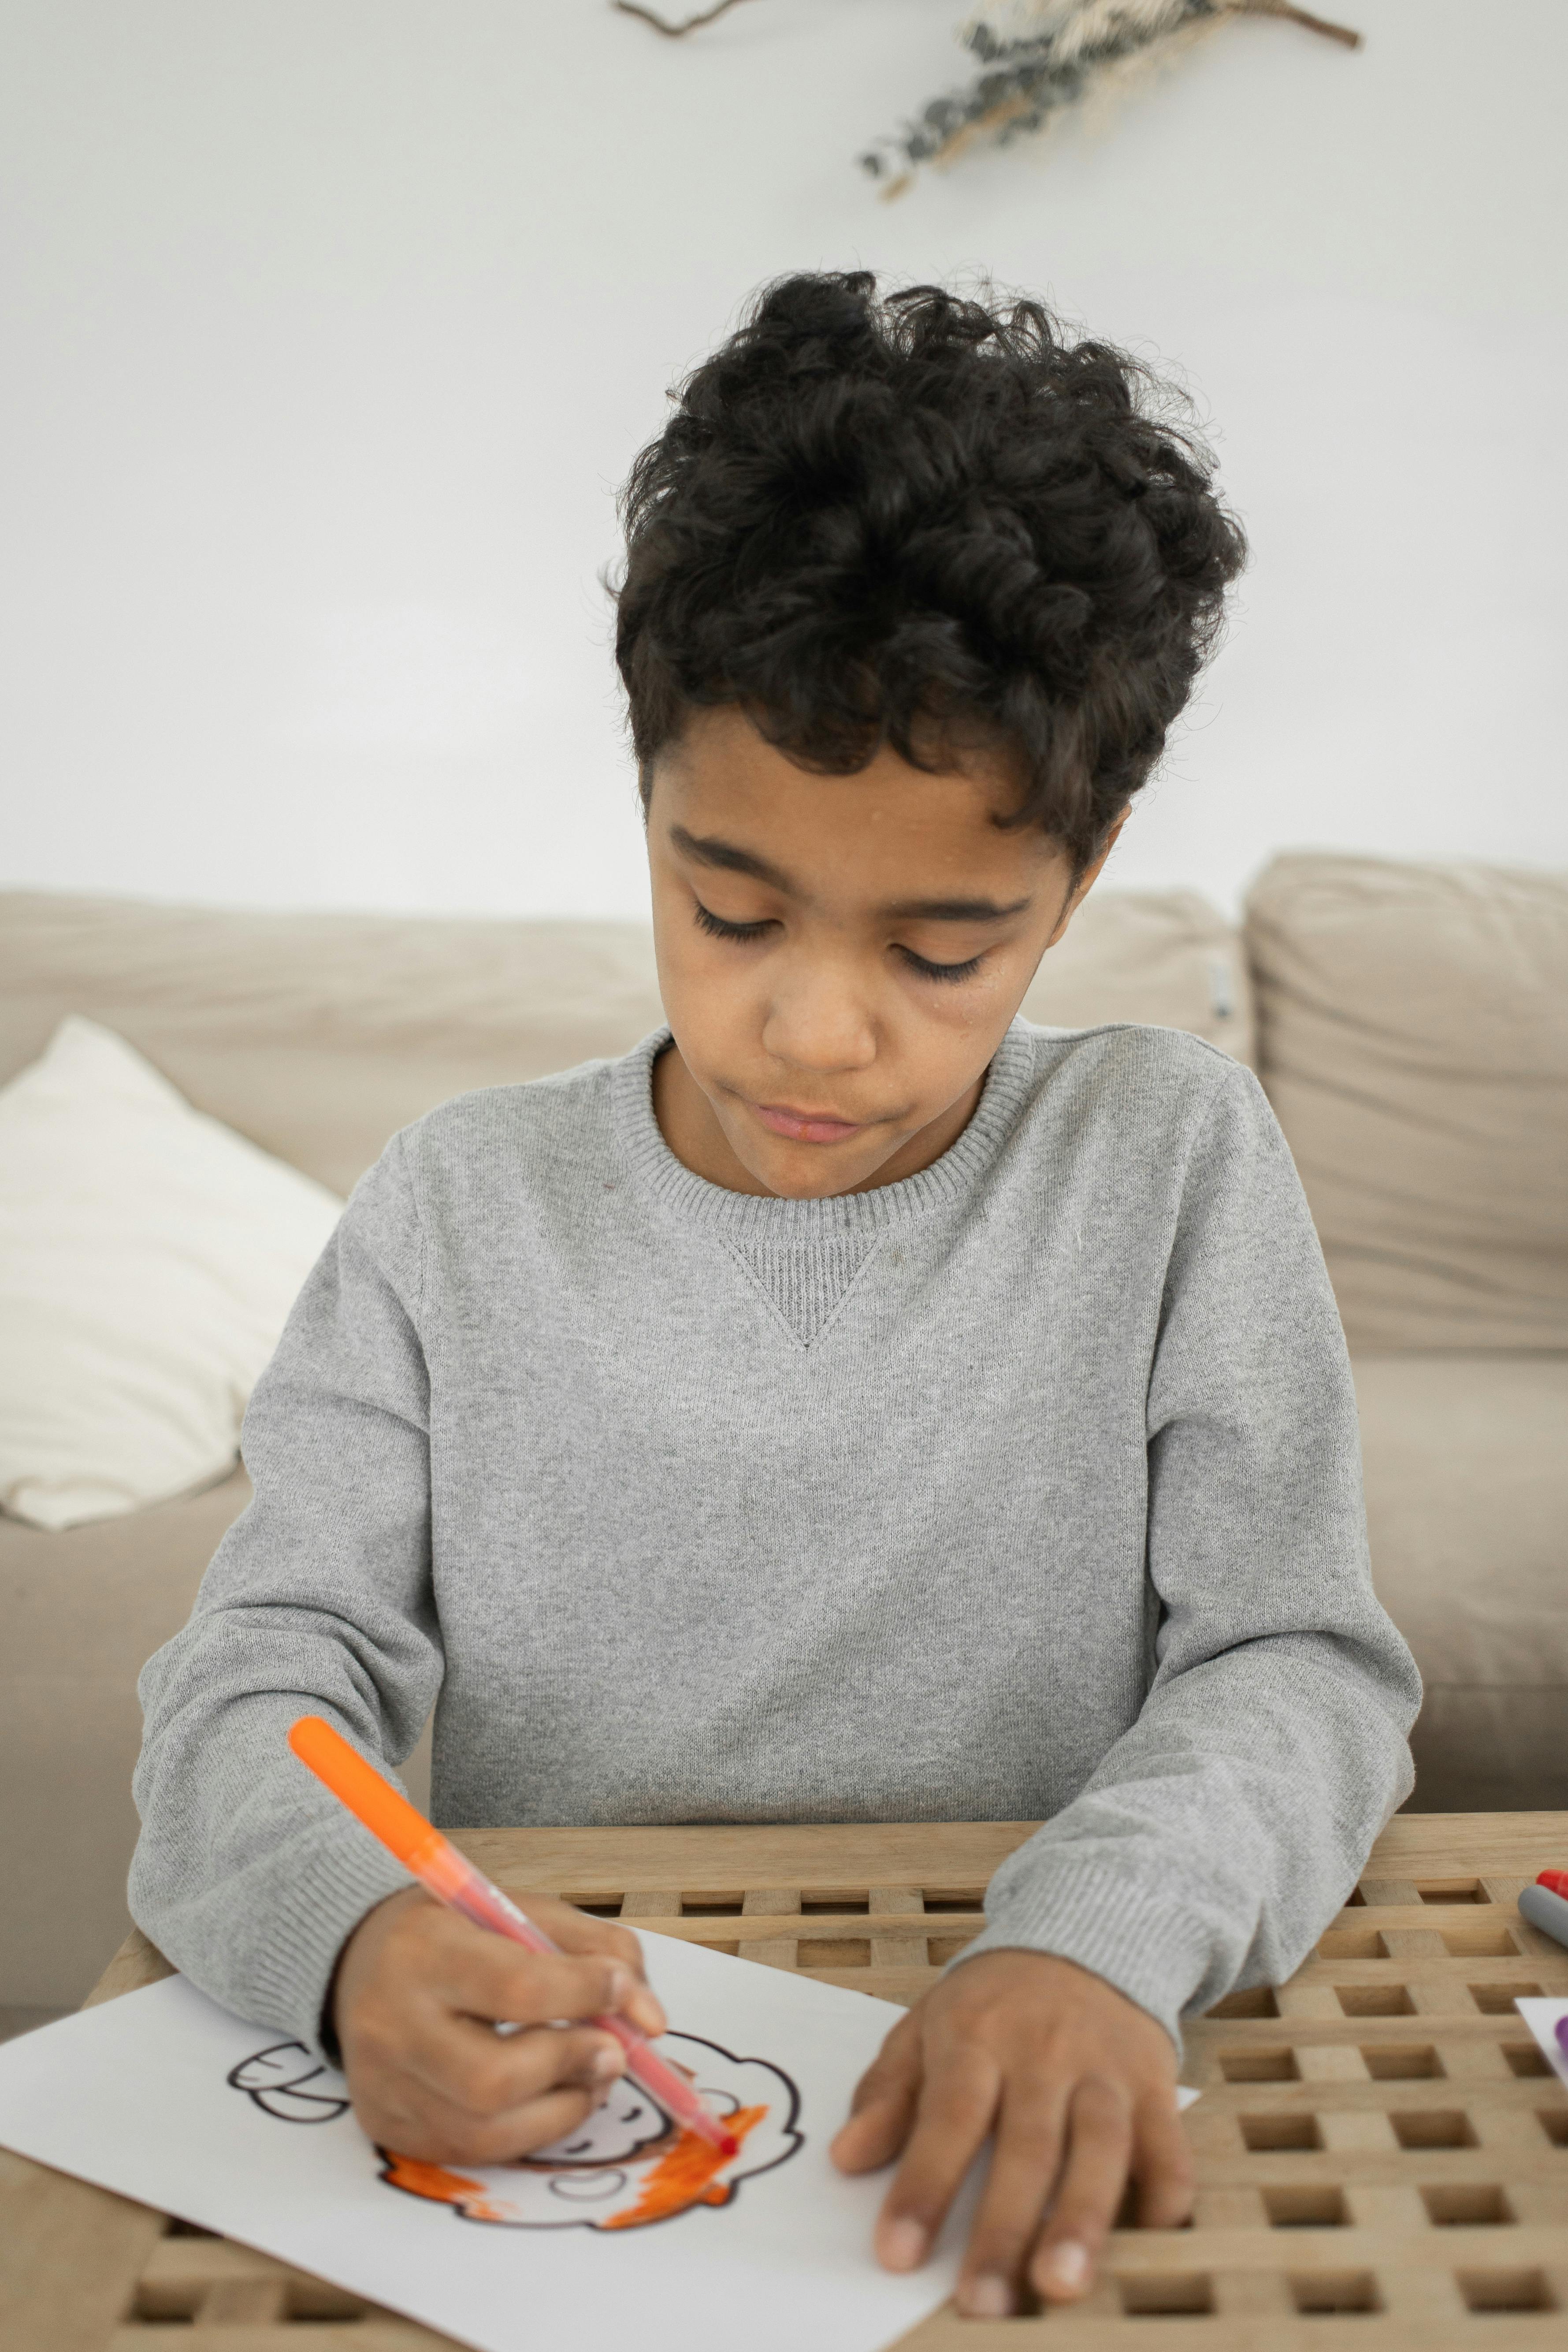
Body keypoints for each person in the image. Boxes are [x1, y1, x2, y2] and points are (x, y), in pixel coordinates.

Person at [130, 271, 1419, 2317]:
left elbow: (1297, 1664)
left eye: (939, 952)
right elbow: (254, 1685)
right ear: (646, 807)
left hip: (1007, 2062)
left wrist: (1099, 1937)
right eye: (729, 909)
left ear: (1078, 881)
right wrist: (352, 1936)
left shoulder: (1168, 1160)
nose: (813, 1033)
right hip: (582, 2128)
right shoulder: (458, 1205)